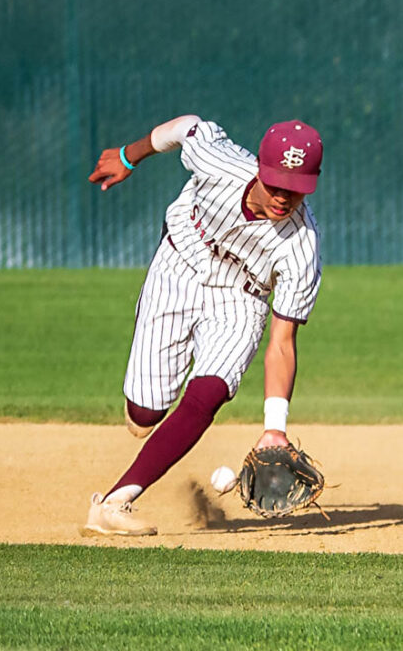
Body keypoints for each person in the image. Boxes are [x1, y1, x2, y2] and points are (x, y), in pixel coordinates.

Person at [83, 115, 323, 536]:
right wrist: (128, 155)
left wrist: (274, 429)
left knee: (209, 392)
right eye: (277, 183)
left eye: (298, 188)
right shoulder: (219, 162)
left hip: (242, 299)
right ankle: (147, 413)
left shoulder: (302, 245)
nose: (285, 198)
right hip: (179, 265)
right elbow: (187, 126)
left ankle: (115, 502)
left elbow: (282, 342)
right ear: (261, 169)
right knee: (144, 414)